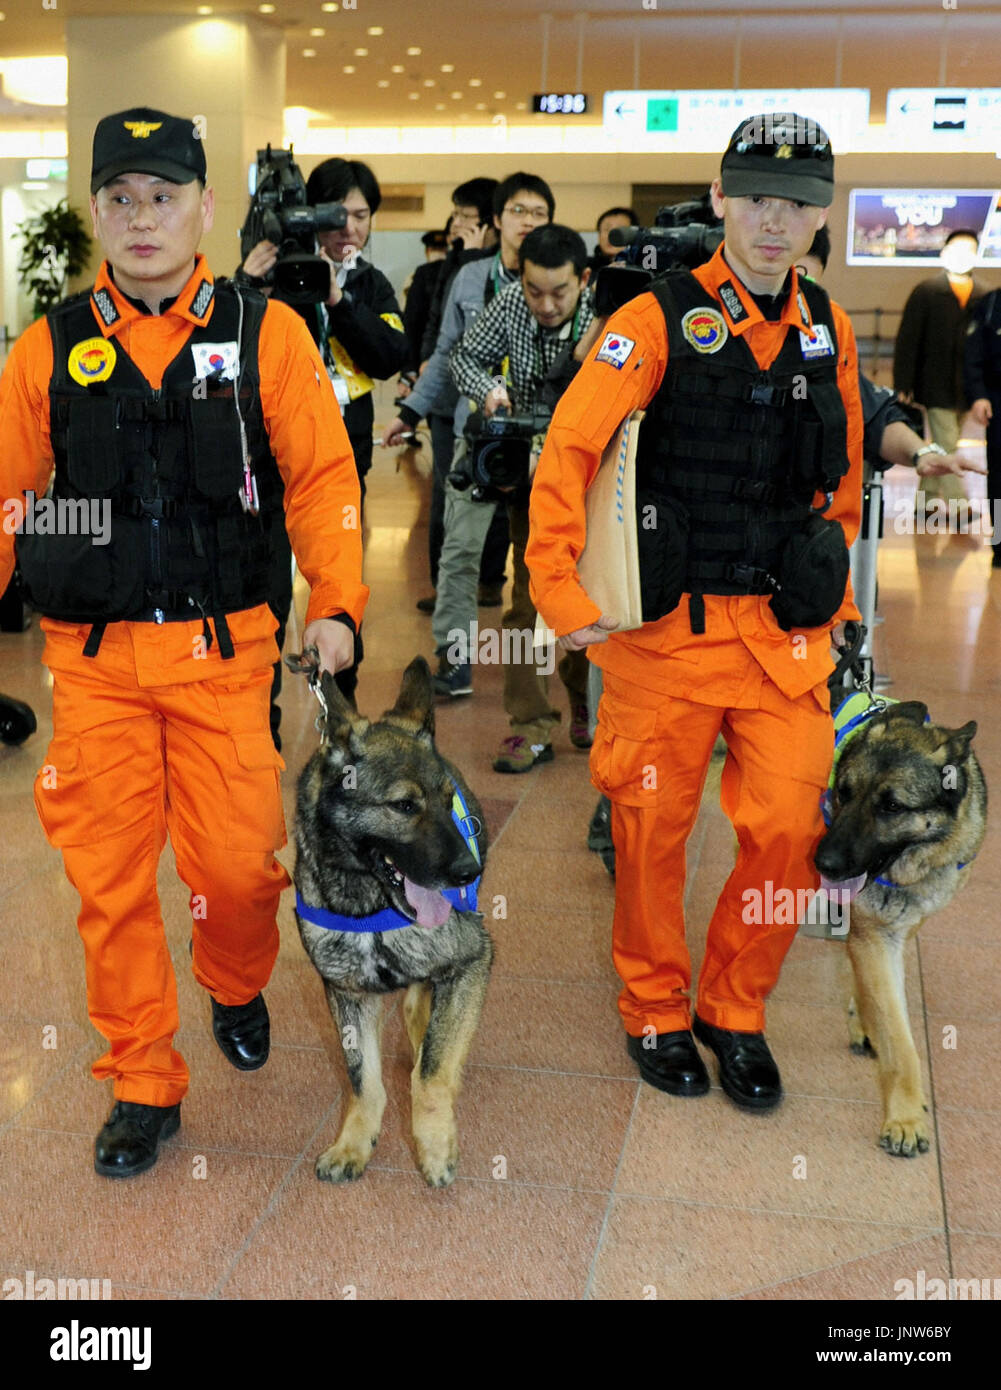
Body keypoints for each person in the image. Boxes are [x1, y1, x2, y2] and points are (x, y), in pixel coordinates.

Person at [0, 108, 367, 1178]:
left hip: (225, 659)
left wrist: (337, 601)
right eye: (121, 199)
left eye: (163, 197)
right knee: (109, 884)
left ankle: (234, 974)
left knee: (242, 870)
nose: (142, 218)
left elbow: (321, 478)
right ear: (96, 214)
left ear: (205, 209)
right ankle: (142, 1078)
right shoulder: (51, 348)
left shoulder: (267, 334)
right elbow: (13, 498)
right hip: (96, 668)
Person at [527, 113, 864, 1111]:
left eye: (796, 203)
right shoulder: (651, 318)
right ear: (718, 199)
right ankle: (652, 1006)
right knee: (647, 834)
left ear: (819, 215)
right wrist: (556, 587)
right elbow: (570, 451)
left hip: (782, 641)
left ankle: (733, 1007)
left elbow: (835, 482)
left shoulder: (827, 327)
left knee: (788, 830)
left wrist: (835, 601)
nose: (774, 219)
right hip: (663, 639)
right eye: (754, 196)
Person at [240, 156, 405, 719]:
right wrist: (247, 284)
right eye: (339, 216)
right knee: (265, 588)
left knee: (339, 584)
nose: (351, 229)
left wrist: (338, 298)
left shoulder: (369, 283)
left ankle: (342, 703)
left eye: (362, 216)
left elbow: (388, 359)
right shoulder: (271, 281)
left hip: (341, 461)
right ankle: (261, 713)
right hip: (264, 467)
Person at [446, 223, 597, 769]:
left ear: (583, 279)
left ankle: (587, 704)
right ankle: (530, 723)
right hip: (530, 483)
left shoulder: (609, 316)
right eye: (535, 291)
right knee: (528, 608)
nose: (546, 304)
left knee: (594, 604)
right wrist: (490, 390)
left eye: (559, 292)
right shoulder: (509, 305)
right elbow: (462, 356)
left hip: (597, 484)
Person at [382, 172, 555, 626]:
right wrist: (410, 410)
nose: (529, 222)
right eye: (519, 211)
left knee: (530, 548)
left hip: (537, 436)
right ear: (497, 219)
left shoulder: (559, 282)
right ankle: (454, 658)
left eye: (540, 213)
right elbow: (446, 353)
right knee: (455, 529)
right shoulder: (470, 277)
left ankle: (519, 663)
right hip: (471, 425)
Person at [893, 229, 987, 513]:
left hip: (966, 387)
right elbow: (909, 340)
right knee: (947, 443)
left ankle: (925, 502)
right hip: (934, 383)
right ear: (944, 253)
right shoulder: (927, 291)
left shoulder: (984, 295)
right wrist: (903, 383)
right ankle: (960, 507)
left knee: (948, 440)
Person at [964, 286, 1001, 566]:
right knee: (999, 475)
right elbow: (974, 353)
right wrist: (978, 395)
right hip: (998, 399)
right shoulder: (991, 304)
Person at [587, 205, 638, 275]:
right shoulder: (585, 267)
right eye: (606, 229)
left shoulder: (642, 267)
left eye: (619, 230)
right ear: (599, 235)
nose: (611, 236)